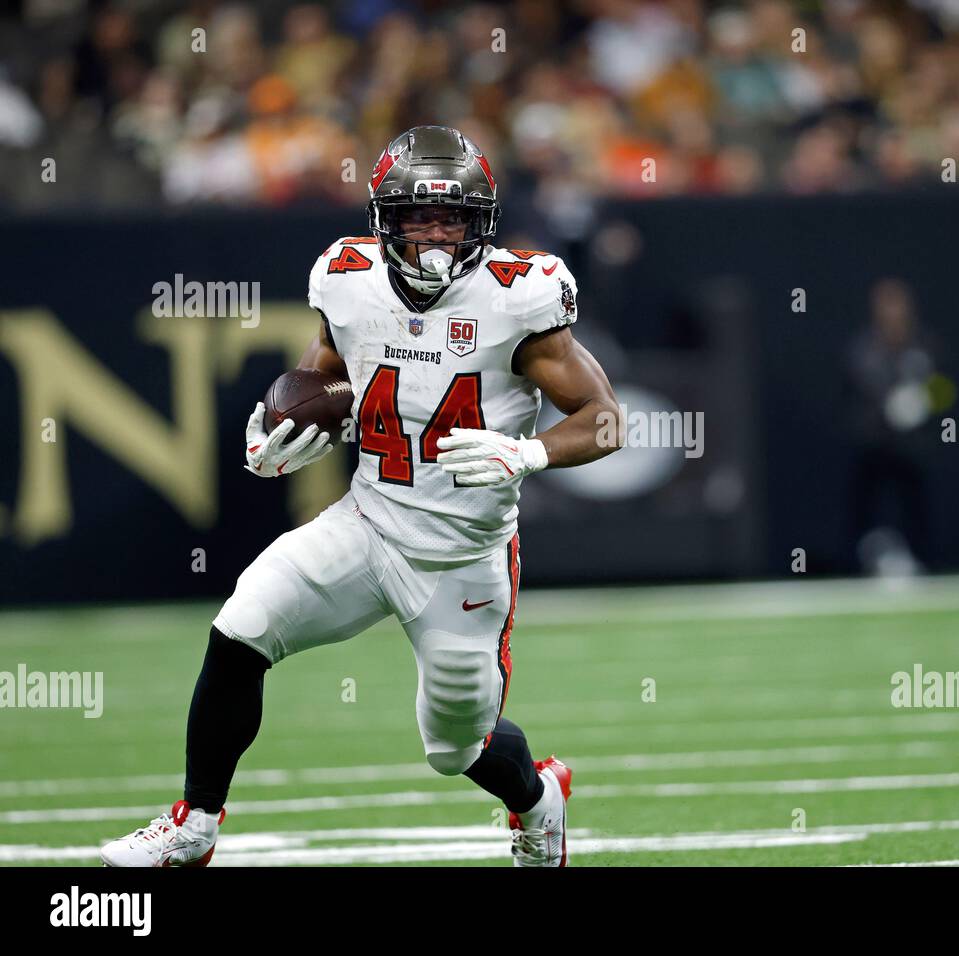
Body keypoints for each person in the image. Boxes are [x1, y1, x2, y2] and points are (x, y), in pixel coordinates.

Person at [101, 126, 622, 867]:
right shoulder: (346, 277)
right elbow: (329, 374)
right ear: (386, 221)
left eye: (454, 219)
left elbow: (605, 420)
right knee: (241, 626)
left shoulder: (521, 295)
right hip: (368, 523)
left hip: (462, 560)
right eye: (419, 218)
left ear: (482, 224)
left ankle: (538, 799)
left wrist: (528, 450)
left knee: (456, 748)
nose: (437, 236)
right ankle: (195, 824)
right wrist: (280, 424)